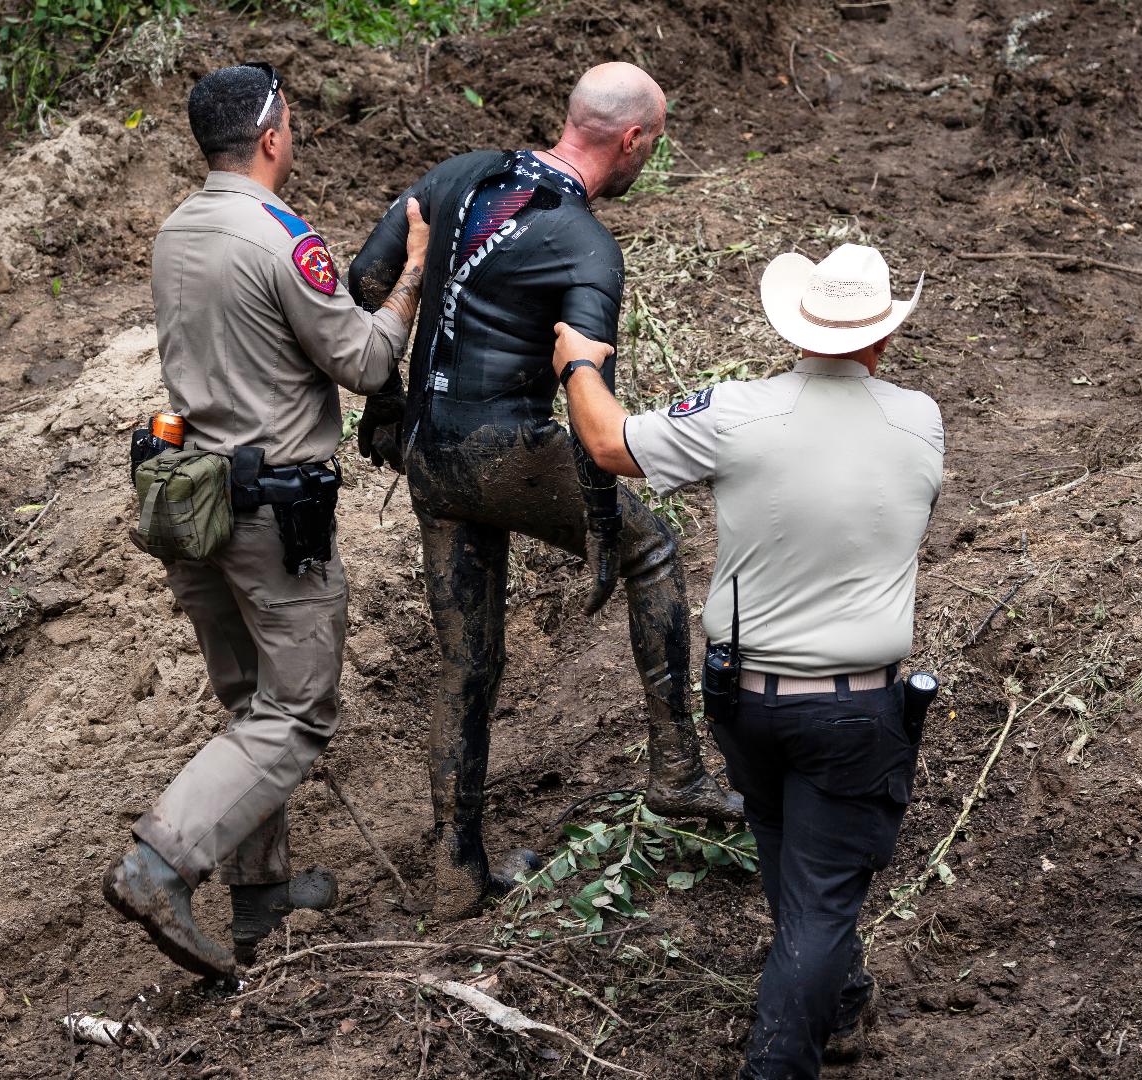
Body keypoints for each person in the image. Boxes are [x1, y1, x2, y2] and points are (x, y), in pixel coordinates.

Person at [345, 61, 743, 921]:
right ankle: (677, 769)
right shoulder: (588, 245)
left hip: (430, 450)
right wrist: (600, 520)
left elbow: (365, 280)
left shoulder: (459, 175)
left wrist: (385, 404)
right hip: (503, 450)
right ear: (631, 141)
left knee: (467, 658)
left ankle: (456, 870)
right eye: (654, 144)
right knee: (654, 546)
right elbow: (588, 398)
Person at [550, 244, 943, 1078]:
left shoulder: (734, 413)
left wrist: (580, 363)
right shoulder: (921, 420)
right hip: (853, 708)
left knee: (784, 847)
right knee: (822, 901)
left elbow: (609, 441)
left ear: (798, 329)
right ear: (882, 338)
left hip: (746, 700)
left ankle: (836, 1006)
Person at [103, 62, 429, 979]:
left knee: (250, 704)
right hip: (271, 514)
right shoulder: (281, 239)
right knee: (294, 715)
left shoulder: (175, 231)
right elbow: (363, 363)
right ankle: (156, 866)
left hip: (190, 502)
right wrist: (410, 276)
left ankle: (260, 898)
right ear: (274, 135)